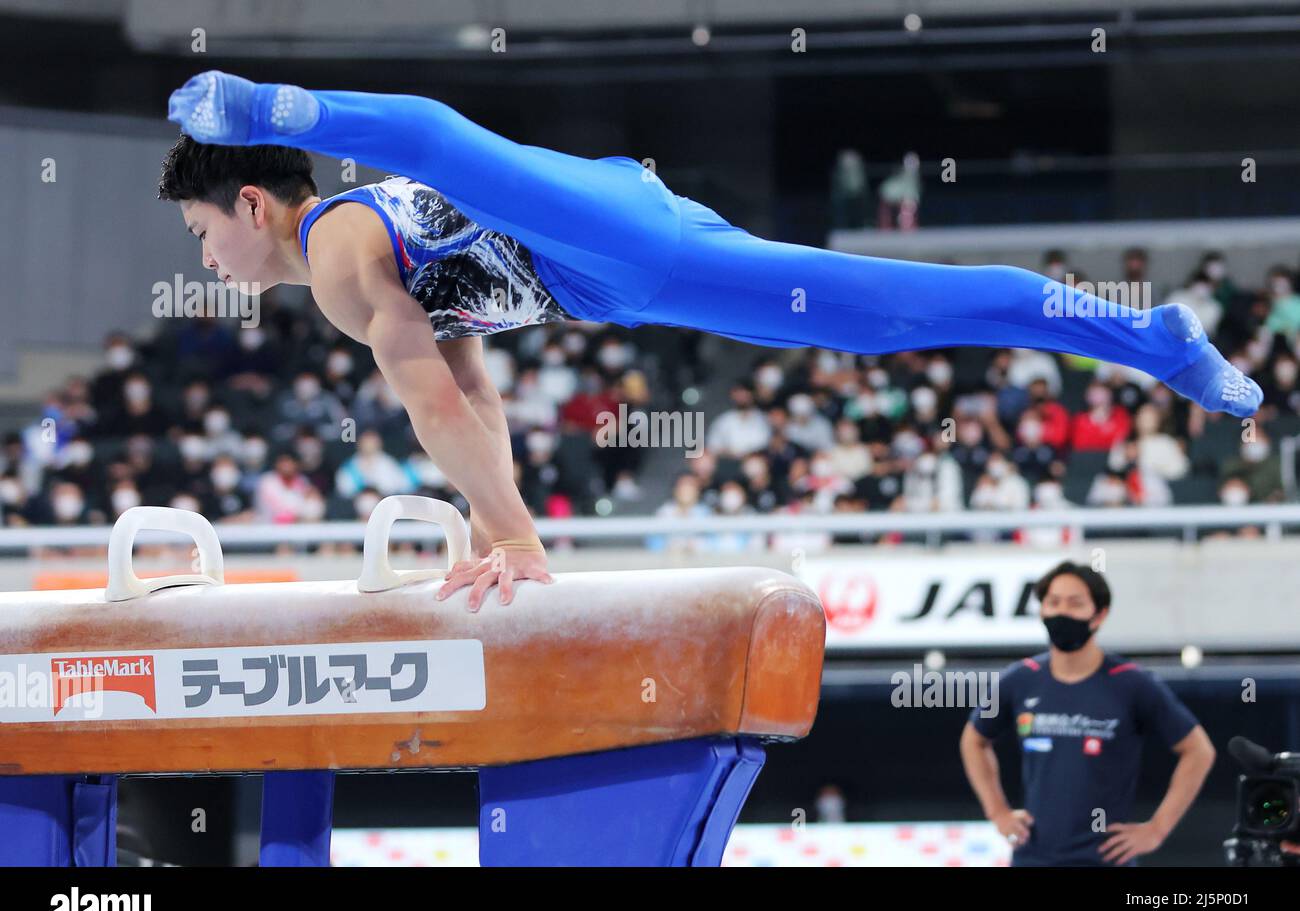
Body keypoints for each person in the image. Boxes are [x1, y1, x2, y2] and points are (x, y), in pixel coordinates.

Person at [160, 70, 1263, 609]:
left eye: (202, 233)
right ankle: (1155, 338)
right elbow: (474, 397)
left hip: (591, 241)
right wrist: (504, 530)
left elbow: (434, 408)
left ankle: (270, 105)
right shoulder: (357, 265)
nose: (204, 261)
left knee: (445, 142)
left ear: (251, 205)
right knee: (887, 317)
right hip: (617, 269)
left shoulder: (344, 263)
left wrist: (524, 544)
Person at [959, 561, 1216, 865]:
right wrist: (998, 812)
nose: (1062, 612)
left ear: (1099, 614)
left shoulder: (1132, 683)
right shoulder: (1020, 679)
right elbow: (973, 740)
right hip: (1034, 856)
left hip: (1105, 858)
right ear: (1041, 610)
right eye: (1053, 602)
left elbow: (1199, 750)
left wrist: (1157, 829)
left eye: (1075, 603)